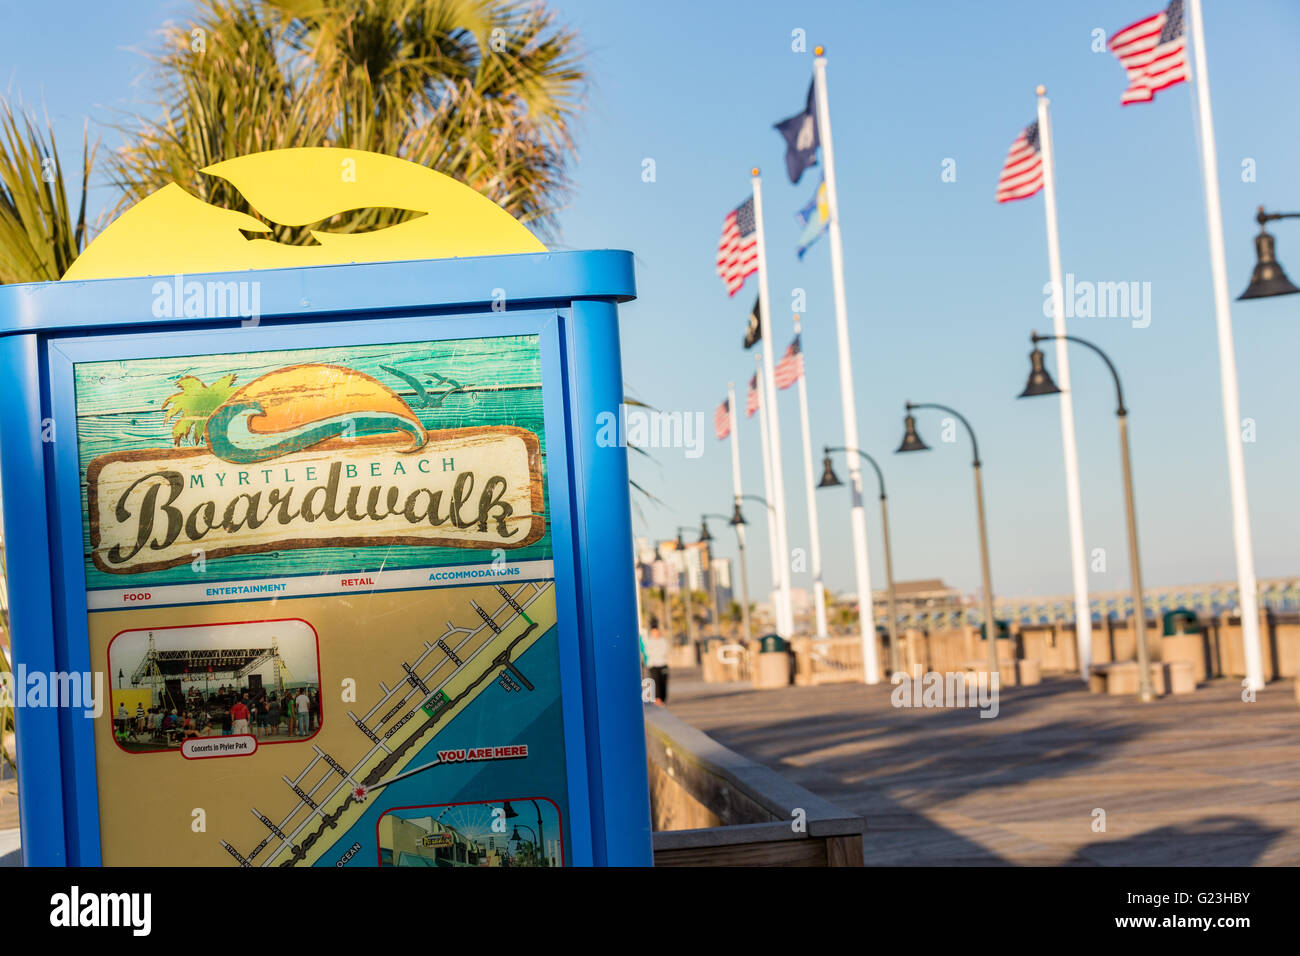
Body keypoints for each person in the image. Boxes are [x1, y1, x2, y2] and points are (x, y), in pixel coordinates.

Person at [640, 617, 670, 704]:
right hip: (653, 665)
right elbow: (646, 651)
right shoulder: (648, 641)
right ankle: (658, 699)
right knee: (655, 682)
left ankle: (662, 699)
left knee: (663, 682)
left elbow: (664, 651)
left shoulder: (663, 641)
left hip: (662, 664)